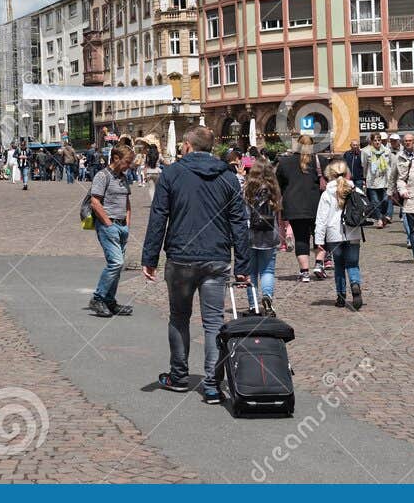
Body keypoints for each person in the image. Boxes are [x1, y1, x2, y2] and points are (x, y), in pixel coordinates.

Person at [140, 125, 250, 404]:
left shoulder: (172, 174)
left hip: (181, 257)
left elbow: (158, 216)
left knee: (179, 317)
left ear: (187, 145)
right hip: (216, 257)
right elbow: (239, 221)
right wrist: (243, 265)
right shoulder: (228, 177)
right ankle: (213, 385)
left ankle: (178, 377)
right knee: (214, 322)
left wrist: (150, 259)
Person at [86, 144, 140, 318]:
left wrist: (128, 222)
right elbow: (95, 202)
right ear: (116, 159)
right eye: (127, 161)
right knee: (115, 263)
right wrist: (108, 224)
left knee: (118, 266)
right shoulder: (102, 176)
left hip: (122, 226)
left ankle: (110, 300)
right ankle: (98, 298)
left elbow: (127, 201)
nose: (129, 165)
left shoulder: (123, 178)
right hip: (108, 226)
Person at [314, 159, 367, 309]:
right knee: (353, 264)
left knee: (339, 266)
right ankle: (355, 284)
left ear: (329, 175)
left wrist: (319, 241)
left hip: (333, 235)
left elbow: (321, 219)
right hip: (353, 232)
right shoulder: (355, 189)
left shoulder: (326, 194)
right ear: (347, 174)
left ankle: (341, 296)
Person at [277, 134, 326, 283]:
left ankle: (304, 273)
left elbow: (279, 183)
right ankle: (319, 264)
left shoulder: (285, 162)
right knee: (321, 235)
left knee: (300, 238)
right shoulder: (321, 161)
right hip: (317, 206)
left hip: (295, 206)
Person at [242, 157, 282, 316]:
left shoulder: (248, 189)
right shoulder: (274, 189)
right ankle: (267, 297)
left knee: (251, 272)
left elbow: (244, 214)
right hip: (270, 234)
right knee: (268, 271)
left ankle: (253, 306)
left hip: (251, 234)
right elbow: (278, 212)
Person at [361, 133, 395, 229]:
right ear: (371, 141)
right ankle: (379, 219)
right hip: (372, 180)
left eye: (379, 140)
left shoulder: (387, 151)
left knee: (385, 200)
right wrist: (364, 178)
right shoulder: (366, 152)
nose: (377, 142)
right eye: (375, 140)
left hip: (385, 180)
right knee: (375, 201)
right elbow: (364, 166)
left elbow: (390, 165)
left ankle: (385, 216)